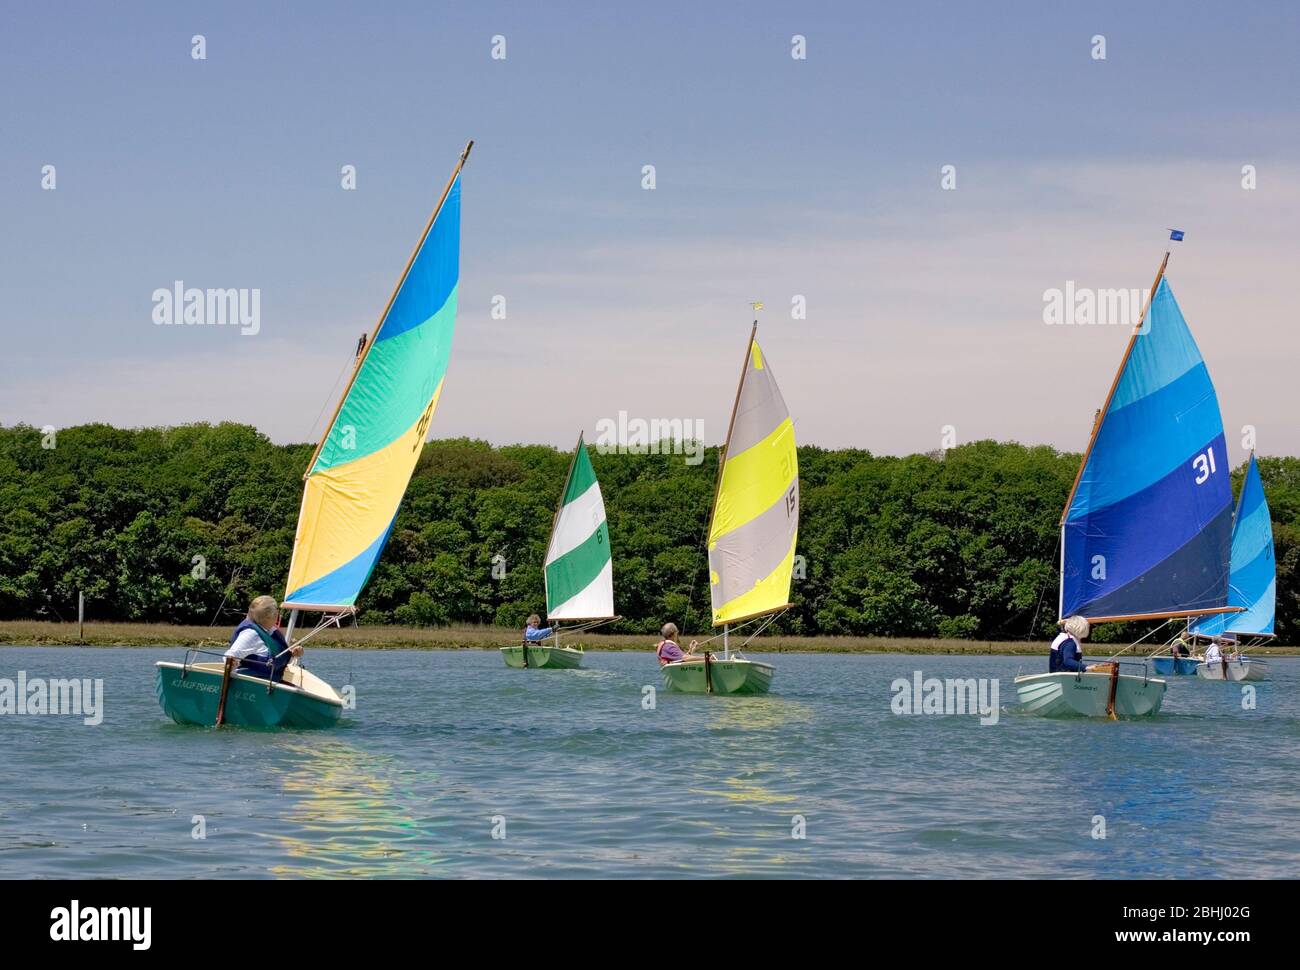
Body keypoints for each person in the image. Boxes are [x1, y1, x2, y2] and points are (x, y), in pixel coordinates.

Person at [225, 595, 302, 682]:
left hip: (272, 683)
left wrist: (292, 654)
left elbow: (275, 657)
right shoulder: (251, 634)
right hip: (252, 683)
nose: (278, 614)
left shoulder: (271, 631)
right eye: (277, 611)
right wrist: (232, 661)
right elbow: (230, 656)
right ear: (269, 617)